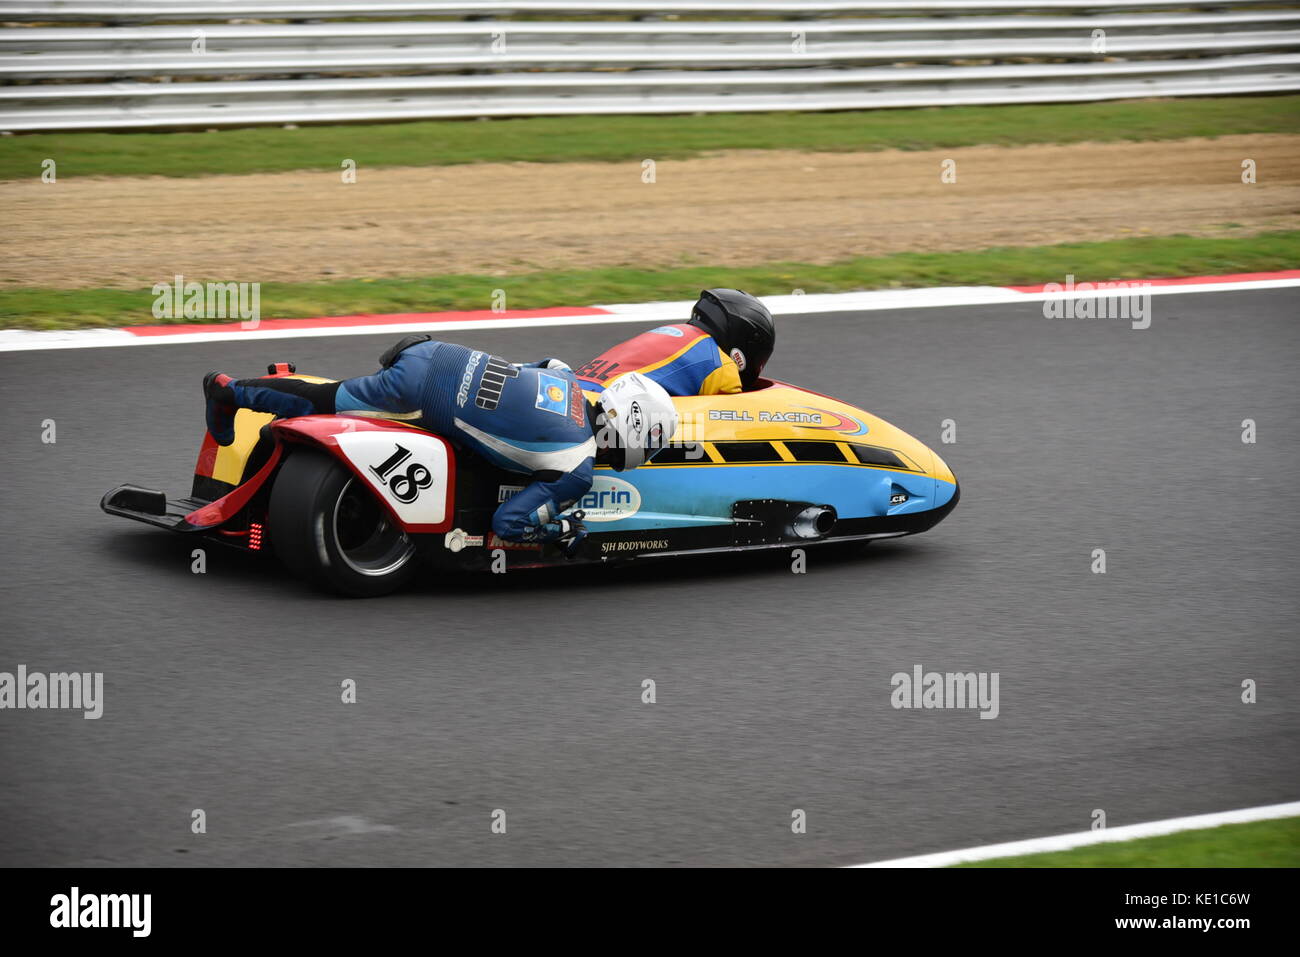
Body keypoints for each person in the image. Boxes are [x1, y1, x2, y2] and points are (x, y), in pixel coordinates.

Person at [202, 335, 677, 549]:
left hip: (436, 352)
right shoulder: (577, 467)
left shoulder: (568, 380)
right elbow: (509, 523)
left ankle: (242, 393)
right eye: (647, 444)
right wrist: (558, 531)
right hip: (419, 393)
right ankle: (229, 393)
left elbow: (545, 363)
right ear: (629, 434)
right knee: (322, 404)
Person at [574, 288, 776, 396]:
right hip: (597, 411)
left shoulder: (672, 332)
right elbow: (734, 417)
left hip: (572, 390)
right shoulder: (721, 365)